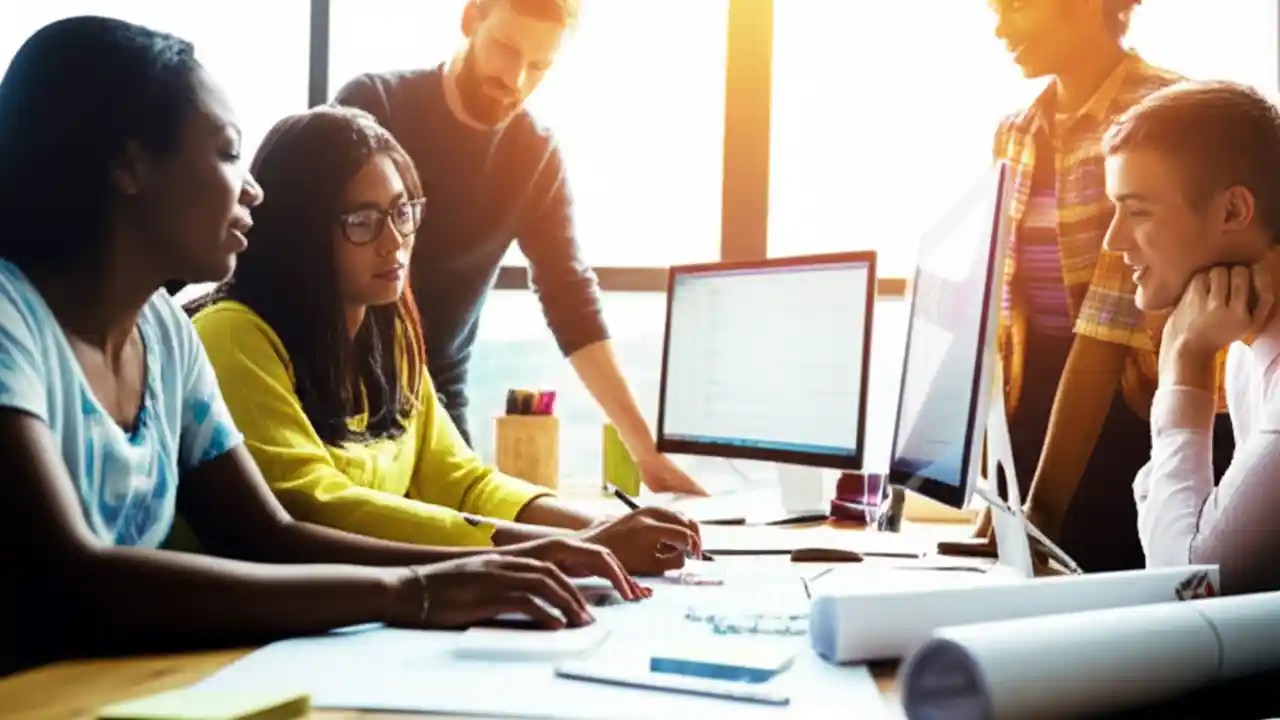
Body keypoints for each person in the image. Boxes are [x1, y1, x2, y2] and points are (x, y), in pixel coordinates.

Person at [0, 15, 654, 676]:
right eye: (227, 153)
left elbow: (269, 535)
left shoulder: (165, 337)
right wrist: (424, 587)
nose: (253, 190)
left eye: (404, 213)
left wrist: (495, 562)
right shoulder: (13, 319)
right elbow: (71, 578)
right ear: (129, 166)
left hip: (114, 683)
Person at [190, 105, 701, 576]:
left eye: (402, 212)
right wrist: (568, 546)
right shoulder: (231, 334)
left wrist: (599, 528)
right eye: (361, 223)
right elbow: (316, 505)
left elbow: (463, 483)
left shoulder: (387, 335)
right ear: (298, 231)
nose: (394, 242)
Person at [331, 0, 706, 495]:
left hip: (437, 404)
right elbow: (313, 250)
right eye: (506, 49)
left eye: (538, 65)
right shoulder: (376, 105)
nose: (516, 78)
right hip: (339, 390)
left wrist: (646, 454)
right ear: (472, 19)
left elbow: (570, 297)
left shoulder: (534, 155)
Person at [975, 0, 1232, 572]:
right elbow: (1004, 329)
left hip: (1132, 411)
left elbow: (1105, 332)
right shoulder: (1015, 132)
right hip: (1039, 408)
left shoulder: (1161, 114)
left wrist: (1040, 511)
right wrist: (1000, 489)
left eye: (1016, 6)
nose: (1000, 27)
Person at [1102, 80, 1280, 594]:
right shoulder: (1246, 351)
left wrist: (1183, 363)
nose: (1113, 239)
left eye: (1138, 211)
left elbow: (1188, 585)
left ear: (1233, 211)